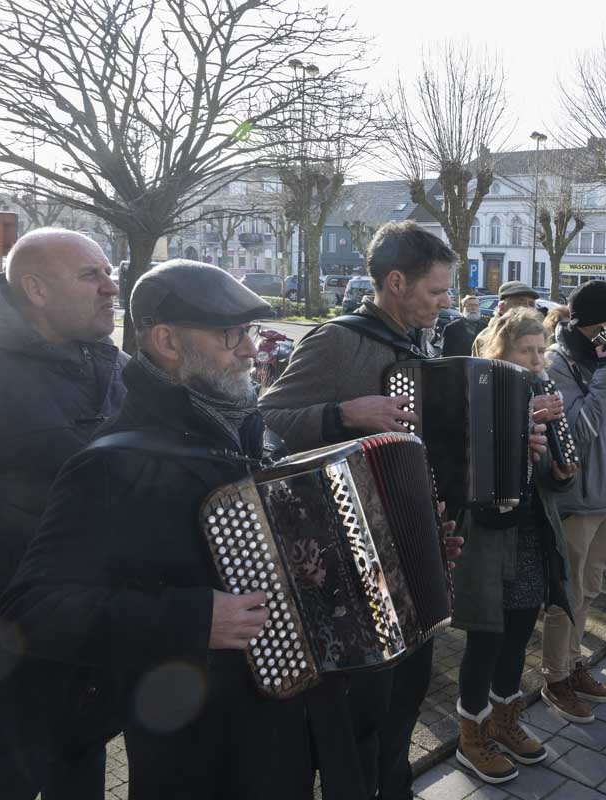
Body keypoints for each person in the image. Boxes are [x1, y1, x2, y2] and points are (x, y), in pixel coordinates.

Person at [0, 261, 369, 799]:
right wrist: (193, 617)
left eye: (247, 333)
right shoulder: (110, 464)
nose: (250, 349)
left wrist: (351, 560)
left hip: (298, 722)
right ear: (167, 340)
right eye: (230, 334)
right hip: (199, 748)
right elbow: (32, 611)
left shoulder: (251, 428)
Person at [259, 220, 455, 799]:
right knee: (359, 721)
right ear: (396, 281)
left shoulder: (421, 343)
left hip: (410, 548)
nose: (444, 303)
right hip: (351, 555)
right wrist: (344, 414)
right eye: (435, 291)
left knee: (404, 702)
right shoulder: (337, 341)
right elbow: (265, 419)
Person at [0, 229, 126, 800]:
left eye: (108, 270)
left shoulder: (114, 364)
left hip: (96, 638)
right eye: (90, 275)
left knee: (81, 781)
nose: (111, 286)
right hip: (13, 654)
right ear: (37, 290)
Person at [451, 308, 576, 784]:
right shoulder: (474, 387)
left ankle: (506, 720)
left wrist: (559, 472)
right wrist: (520, 429)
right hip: (487, 536)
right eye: (526, 351)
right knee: (486, 637)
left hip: (529, 533)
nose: (537, 359)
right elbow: (460, 462)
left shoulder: (546, 392)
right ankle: (472, 733)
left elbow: (547, 474)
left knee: (520, 632)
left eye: (541, 350)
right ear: (500, 351)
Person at [540, 280, 606, 723]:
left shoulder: (603, 361)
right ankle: (555, 676)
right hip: (578, 498)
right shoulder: (557, 362)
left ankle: (574, 663)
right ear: (591, 326)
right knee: (567, 593)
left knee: (590, 588)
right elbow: (578, 432)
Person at [471, 281, 539, 356]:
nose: (527, 308)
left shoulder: (541, 337)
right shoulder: (485, 338)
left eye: (531, 304)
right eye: (520, 304)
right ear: (501, 307)